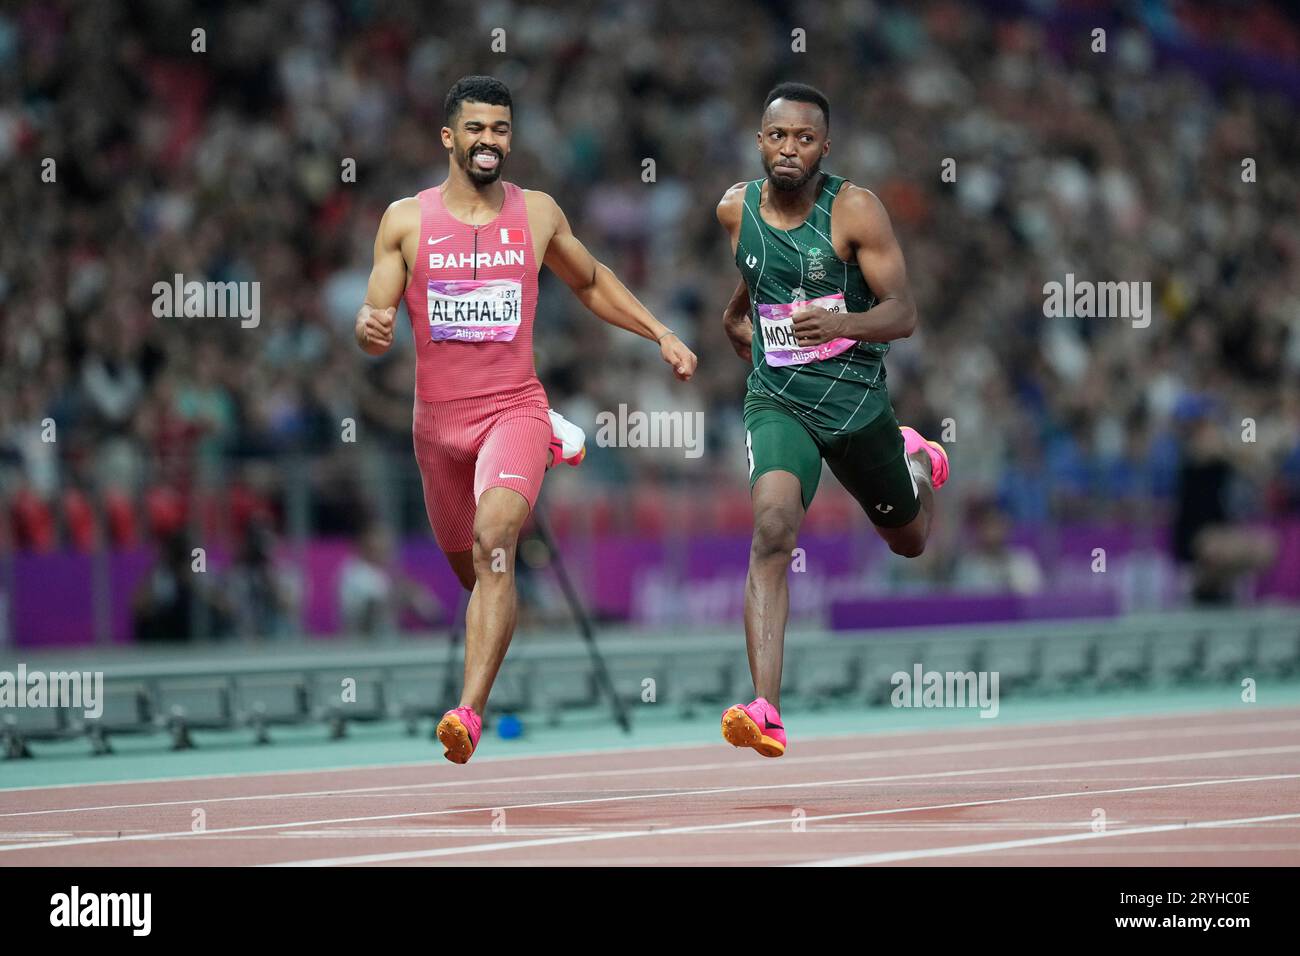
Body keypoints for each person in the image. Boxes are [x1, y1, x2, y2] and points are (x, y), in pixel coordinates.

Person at [356, 76, 697, 763]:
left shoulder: (536, 212)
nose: (490, 141)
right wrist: (371, 326)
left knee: (495, 545)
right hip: (436, 430)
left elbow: (593, 280)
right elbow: (377, 310)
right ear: (449, 137)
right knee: (475, 574)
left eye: (501, 129)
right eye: (476, 129)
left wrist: (658, 331)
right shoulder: (405, 220)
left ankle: (468, 712)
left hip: (510, 408)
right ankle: (555, 442)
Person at [715, 82, 948, 758]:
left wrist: (842, 320)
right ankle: (766, 707)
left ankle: (917, 461)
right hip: (777, 399)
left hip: (854, 404)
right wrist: (738, 312)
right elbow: (760, 274)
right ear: (760, 141)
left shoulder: (855, 210)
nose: (791, 149)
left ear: (825, 147)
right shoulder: (734, 209)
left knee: (909, 540)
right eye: (779, 136)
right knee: (771, 531)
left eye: (805, 139)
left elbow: (902, 313)